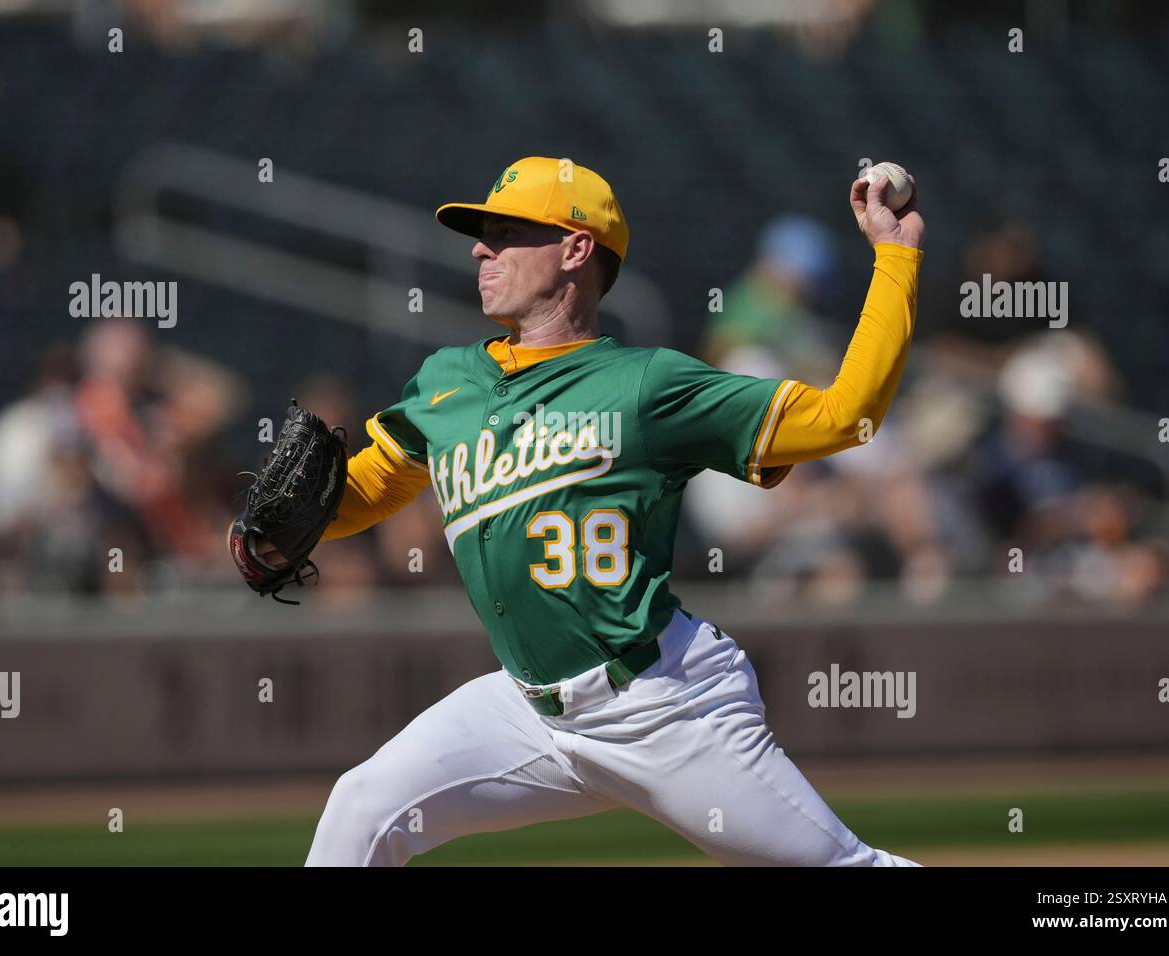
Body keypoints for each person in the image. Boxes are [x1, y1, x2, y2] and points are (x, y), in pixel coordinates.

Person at [269, 156, 925, 865]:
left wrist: (895, 255)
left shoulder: (646, 386)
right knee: (363, 805)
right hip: (527, 710)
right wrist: (286, 531)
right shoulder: (447, 382)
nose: (480, 248)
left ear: (577, 249)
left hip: (659, 703)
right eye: (481, 233)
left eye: (507, 232)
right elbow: (369, 488)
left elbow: (845, 416)